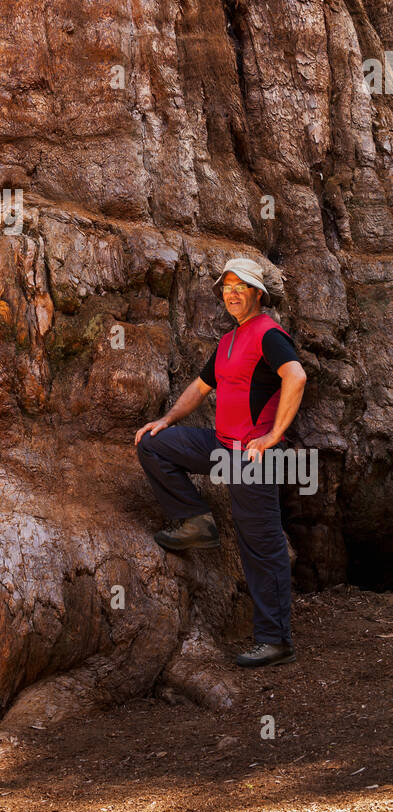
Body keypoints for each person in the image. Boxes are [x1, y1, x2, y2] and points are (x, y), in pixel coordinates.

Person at [135, 257, 307, 667]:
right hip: (222, 446)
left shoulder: (269, 334)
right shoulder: (229, 341)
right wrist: (166, 419)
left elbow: (296, 377)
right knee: (155, 445)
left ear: (258, 294)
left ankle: (275, 640)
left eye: (241, 285)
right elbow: (200, 386)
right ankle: (195, 520)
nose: (232, 292)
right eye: (227, 285)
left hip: (253, 457)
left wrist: (272, 437)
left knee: (260, 548)